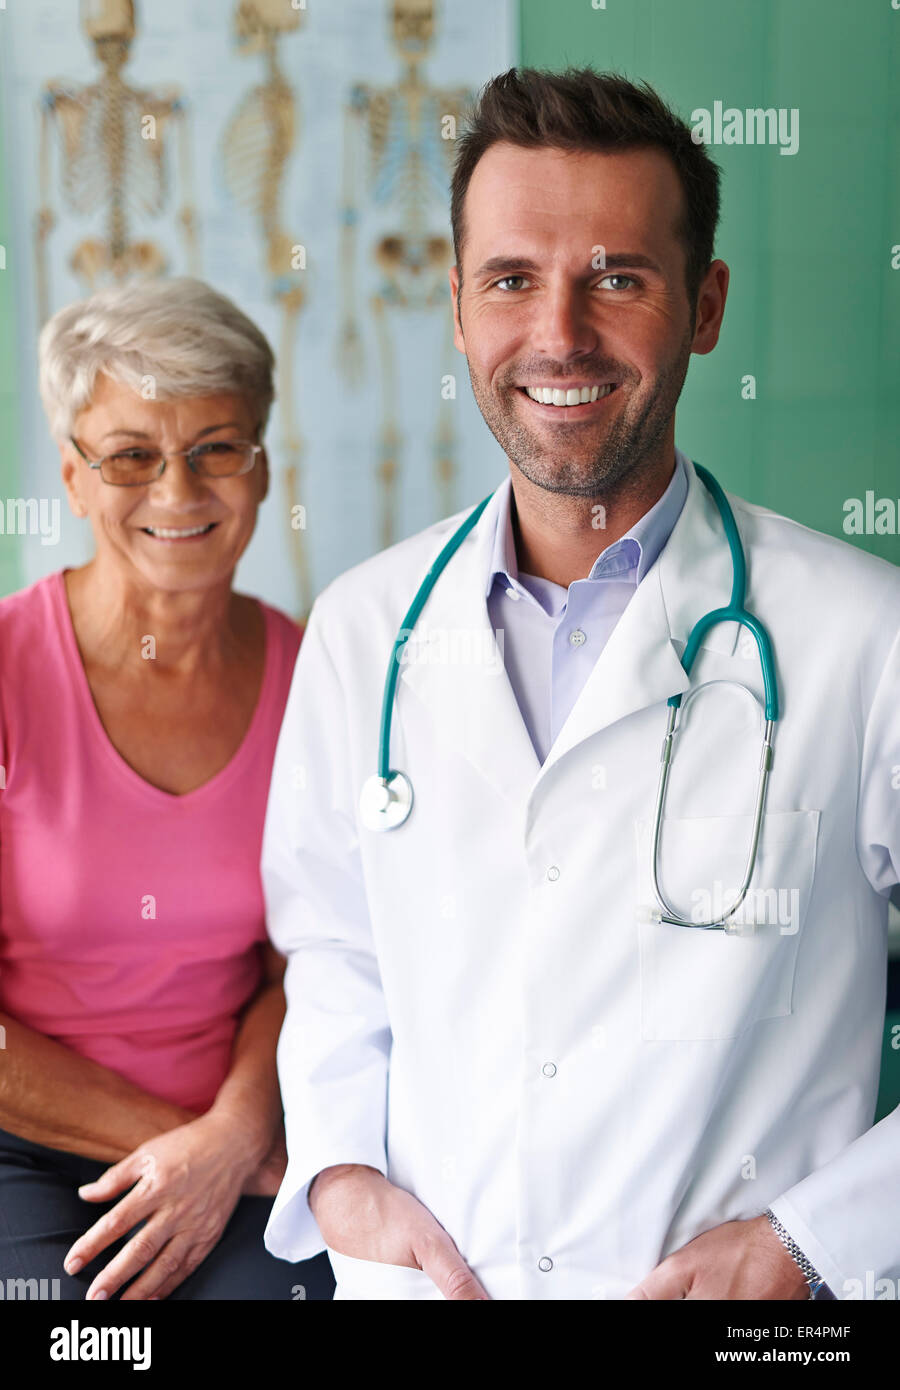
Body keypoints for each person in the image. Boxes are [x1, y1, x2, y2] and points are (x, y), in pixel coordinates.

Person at [260, 69, 900, 1300]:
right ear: (457, 308)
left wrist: (817, 1239)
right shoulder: (364, 630)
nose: (559, 334)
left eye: (618, 278)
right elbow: (335, 947)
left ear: (705, 307)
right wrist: (339, 1171)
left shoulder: (864, 637)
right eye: (511, 279)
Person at [0, 277, 333, 1300]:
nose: (179, 492)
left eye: (216, 447)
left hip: (242, 1132)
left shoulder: (316, 675)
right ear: (73, 476)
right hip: (24, 1146)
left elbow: (307, 966)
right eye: (132, 455)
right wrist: (192, 1149)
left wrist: (233, 1136)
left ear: (262, 468)